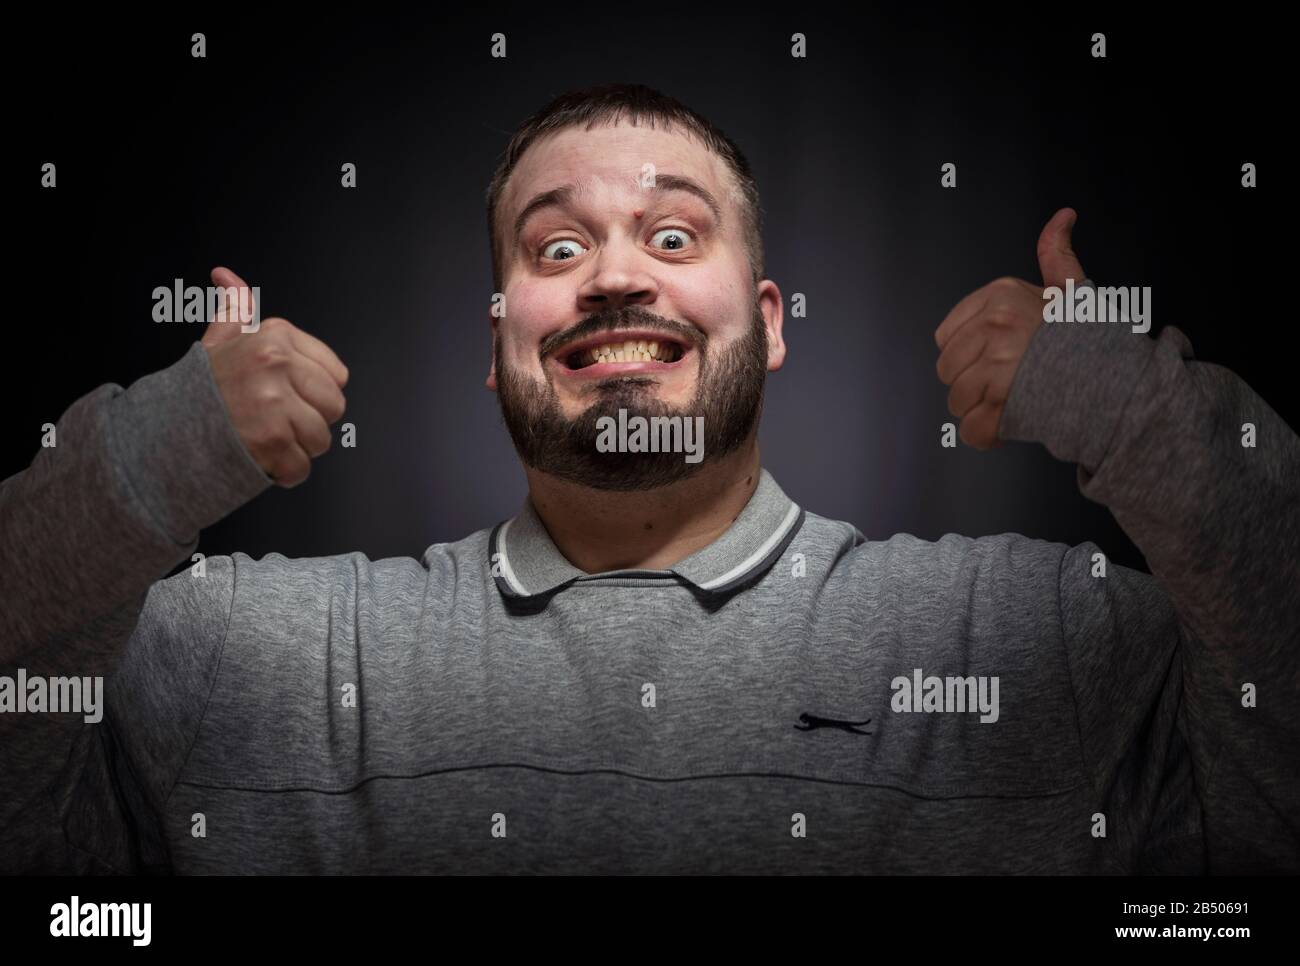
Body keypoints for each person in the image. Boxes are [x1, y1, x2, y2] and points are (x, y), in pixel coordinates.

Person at [1, 83, 1296, 874]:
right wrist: (157, 450)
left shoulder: (1036, 643)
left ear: (774, 322)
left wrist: (1127, 401)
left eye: (675, 233)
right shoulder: (249, 655)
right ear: (495, 348)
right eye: (556, 244)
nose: (618, 273)